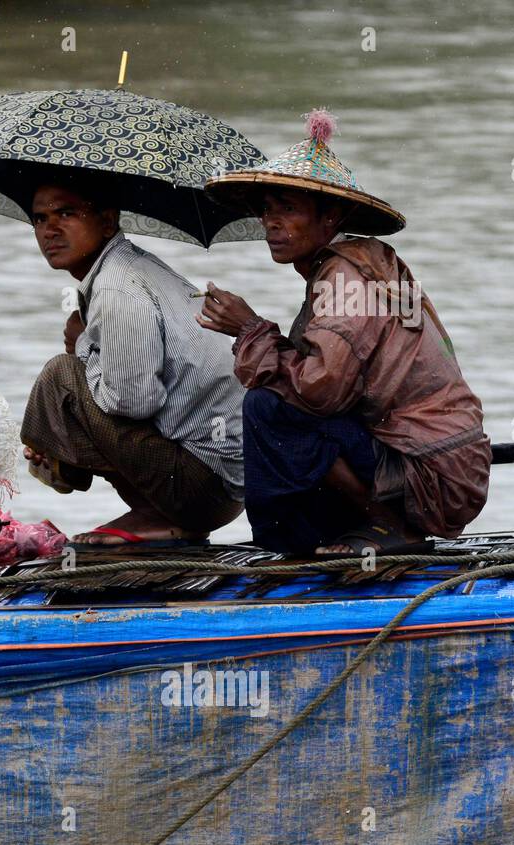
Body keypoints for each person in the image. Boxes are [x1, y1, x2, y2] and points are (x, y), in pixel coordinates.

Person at [197, 110, 490, 555]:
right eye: (267, 210)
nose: (271, 223)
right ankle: (359, 523)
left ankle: (387, 524)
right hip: (447, 462)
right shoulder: (356, 266)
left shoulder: (344, 277)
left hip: (431, 474)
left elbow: (320, 391)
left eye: (288, 209)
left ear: (330, 216)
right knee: (276, 400)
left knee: (268, 406)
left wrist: (250, 329)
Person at [19, 177, 245, 547]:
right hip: (224, 486)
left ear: (108, 222)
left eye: (66, 213)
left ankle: (155, 514)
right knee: (70, 388)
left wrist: (83, 347)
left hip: (202, 489)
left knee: (61, 376)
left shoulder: (117, 287)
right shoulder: (128, 268)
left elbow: (134, 402)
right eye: (40, 219)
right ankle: (149, 510)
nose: (49, 230)